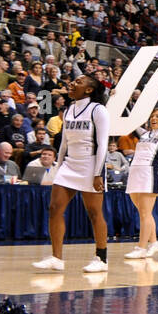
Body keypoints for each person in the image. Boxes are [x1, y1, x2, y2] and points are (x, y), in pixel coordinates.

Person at [32, 74, 111, 274]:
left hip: (90, 163)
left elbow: (103, 144)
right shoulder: (68, 110)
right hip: (69, 164)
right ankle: (56, 258)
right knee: (54, 207)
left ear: (89, 89)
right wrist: (59, 166)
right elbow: (64, 143)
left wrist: (98, 173)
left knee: (94, 213)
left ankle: (101, 258)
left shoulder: (98, 110)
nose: (72, 83)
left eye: (78, 82)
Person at [123, 100, 158, 260]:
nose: (154, 118)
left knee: (145, 213)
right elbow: (128, 119)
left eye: (157, 116)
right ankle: (154, 242)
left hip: (148, 174)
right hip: (134, 173)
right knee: (143, 212)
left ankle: (141, 248)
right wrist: (119, 99)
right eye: (152, 116)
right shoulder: (145, 134)